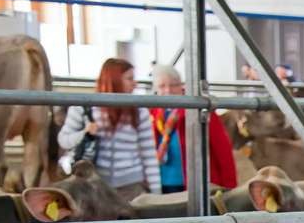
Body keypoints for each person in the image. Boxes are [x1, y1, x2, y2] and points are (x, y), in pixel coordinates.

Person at [57, 57, 159, 201]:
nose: (134, 84)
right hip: (95, 187)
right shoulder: (83, 107)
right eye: (129, 79)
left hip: (131, 188)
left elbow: (149, 154)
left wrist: (156, 194)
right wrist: (84, 133)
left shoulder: (139, 110)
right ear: (115, 81)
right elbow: (64, 140)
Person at [150, 64, 238, 194]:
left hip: (194, 185)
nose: (168, 90)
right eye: (162, 86)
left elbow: (222, 149)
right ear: (156, 90)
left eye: (173, 85)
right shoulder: (152, 114)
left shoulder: (198, 108)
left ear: (181, 85)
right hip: (161, 184)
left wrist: (229, 185)